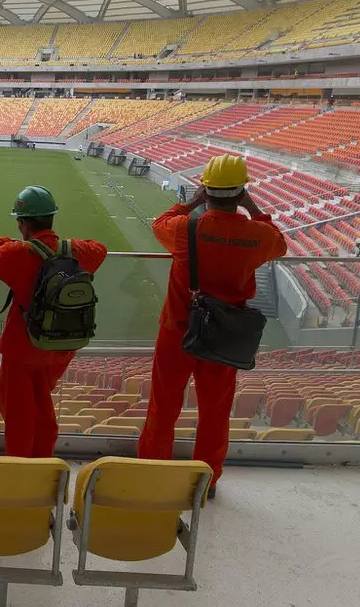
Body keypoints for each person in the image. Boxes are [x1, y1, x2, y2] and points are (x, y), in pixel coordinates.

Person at [137, 155, 286, 497]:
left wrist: (192, 201)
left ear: (207, 190)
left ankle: (150, 475)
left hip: (177, 331)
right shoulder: (257, 234)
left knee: (163, 406)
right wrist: (253, 206)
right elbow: (278, 240)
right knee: (215, 414)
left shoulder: (185, 229)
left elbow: (162, 220)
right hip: (225, 338)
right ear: (240, 193)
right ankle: (206, 482)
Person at [0, 186, 107, 458]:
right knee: (42, 407)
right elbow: (100, 249)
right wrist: (66, 246)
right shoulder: (75, 251)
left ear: (24, 223)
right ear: (51, 218)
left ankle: (21, 472)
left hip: (24, 348)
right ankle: (42, 461)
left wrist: (6, 240)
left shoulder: (16, 253)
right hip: (61, 349)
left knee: (18, 415)